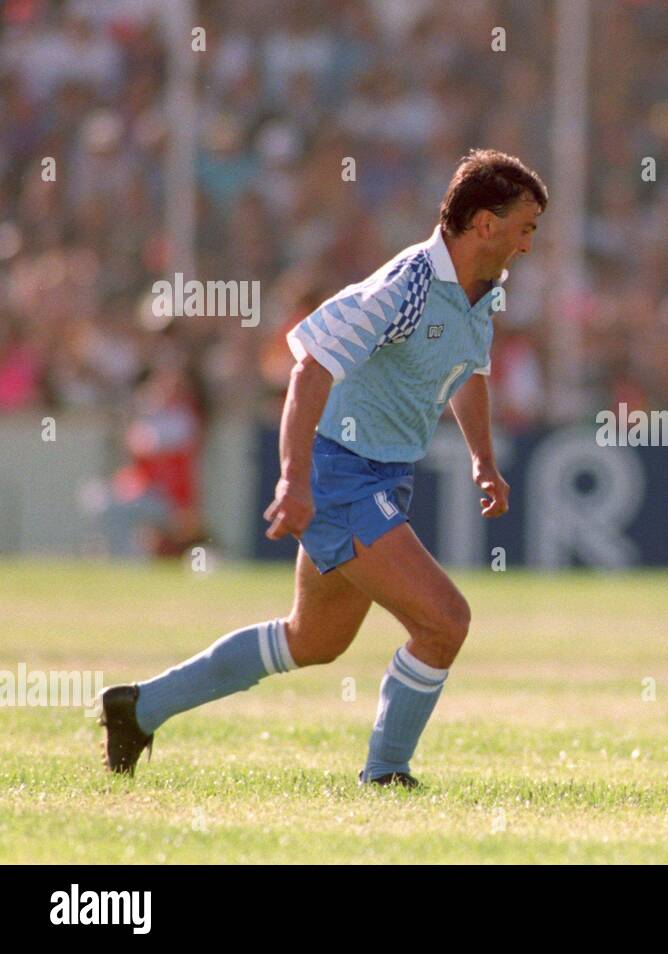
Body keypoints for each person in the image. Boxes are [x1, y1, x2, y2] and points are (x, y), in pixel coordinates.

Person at [98, 149, 546, 787]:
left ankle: (138, 707)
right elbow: (310, 361)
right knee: (445, 621)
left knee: (312, 640)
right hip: (342, 473)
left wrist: (483, 460)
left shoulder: (485, 289)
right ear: (483, 224)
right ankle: (386, 775)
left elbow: (469, 371)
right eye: (525, 228)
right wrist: (295, 477)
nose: (530, 245)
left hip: (384, 475)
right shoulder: (408, 283)